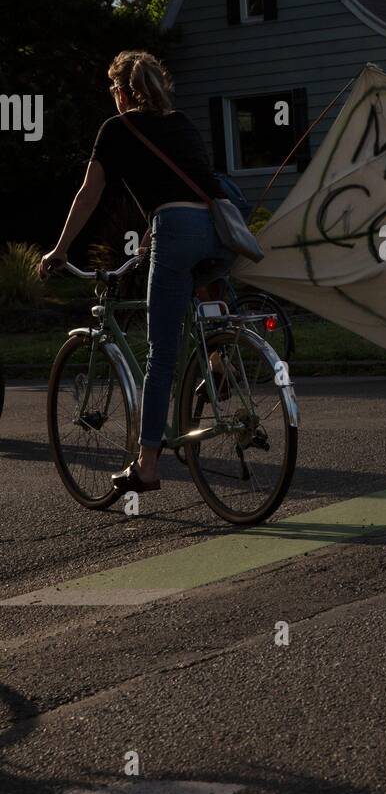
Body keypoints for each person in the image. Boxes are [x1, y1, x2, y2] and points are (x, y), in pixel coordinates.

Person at [39, 51, 234, 491]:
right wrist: (151, 235)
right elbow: (191, 184)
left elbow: (89, 193)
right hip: (219, 229)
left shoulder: (117, 128)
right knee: (204, 301)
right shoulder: (181, 123)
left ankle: (146, 465)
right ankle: (219, 360)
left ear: (122, 92)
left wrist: (60, 249)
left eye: (113, 90)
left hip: (177, 230)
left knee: (160, 353)